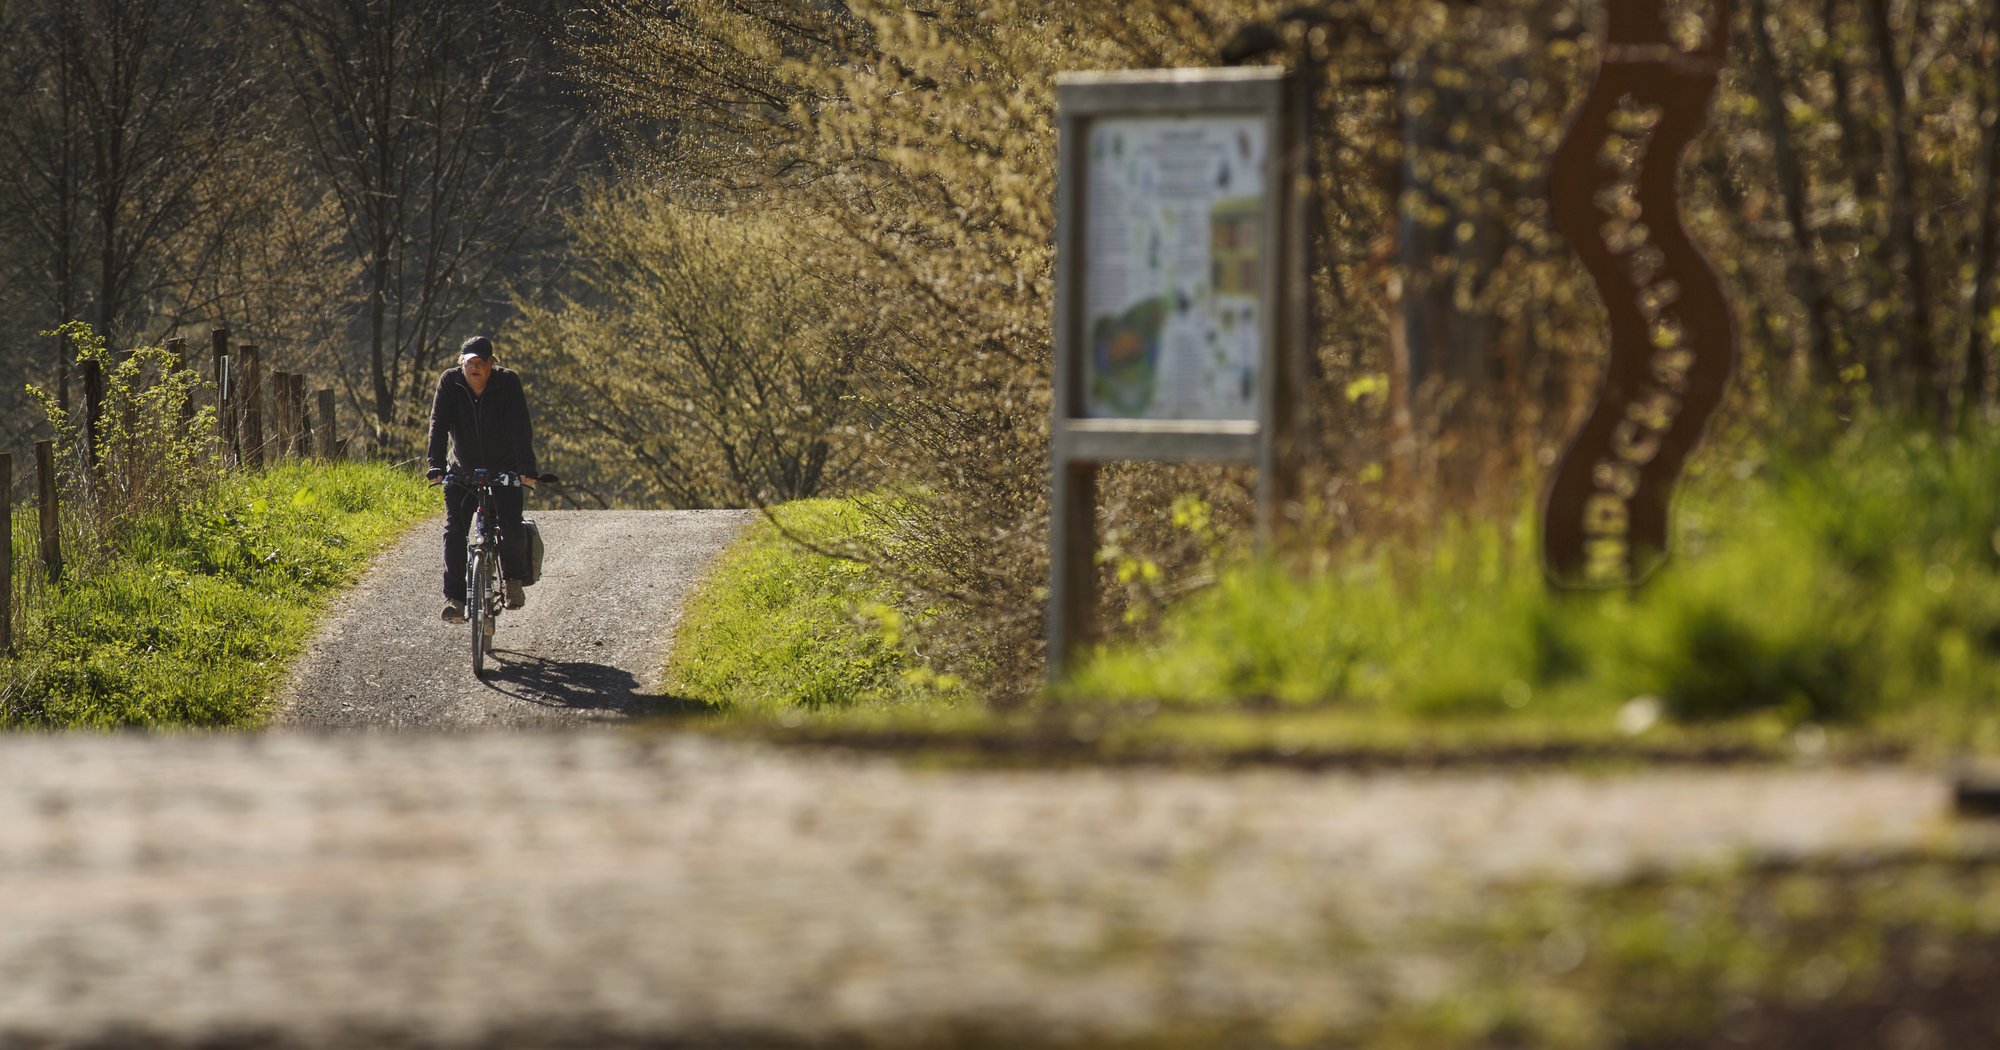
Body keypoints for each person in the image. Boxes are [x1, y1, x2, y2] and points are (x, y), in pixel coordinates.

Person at [426, 335, 539, 623]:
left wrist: (525, 469)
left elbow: (519, 426)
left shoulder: (508, 382)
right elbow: (438, 424)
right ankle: (455, 599)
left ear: (492, 364)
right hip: (462, 470)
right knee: (454, 531)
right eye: (469, 362)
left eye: (480, 362)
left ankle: (513, 581)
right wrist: (436, 466)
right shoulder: (450, 382)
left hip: (504, 469)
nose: (474, 367)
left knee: (511, 526)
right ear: (461, 364)